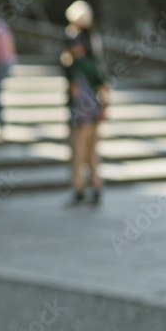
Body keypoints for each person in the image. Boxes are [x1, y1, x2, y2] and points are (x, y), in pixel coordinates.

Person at [62, 33, 107, 205]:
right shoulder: (92, 64)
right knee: (93, 153)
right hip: (94, 116)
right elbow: (104, 87)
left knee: (78, 153)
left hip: (80, 117)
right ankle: (96, 186)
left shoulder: (73, 65)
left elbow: (74, 89)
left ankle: (79, 188)